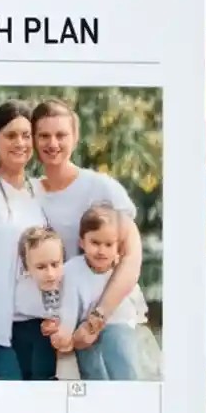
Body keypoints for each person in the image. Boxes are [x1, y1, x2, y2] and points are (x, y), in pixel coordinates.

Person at [29, 98, 148, 352]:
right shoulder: (29, 193)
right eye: (44, 135)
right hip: (64, 322)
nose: (52, 143)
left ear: (74, 137)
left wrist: (97, 320)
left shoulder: (100, 187)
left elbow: (132, 256)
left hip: (110, 318)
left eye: (61, 135)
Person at [0, 99, 53, 381]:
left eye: (26, 135)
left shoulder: (40, 192)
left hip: (38, 330)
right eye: (11, 135)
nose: (20, 143)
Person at [51, 204, 141, 380]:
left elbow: (125, 308)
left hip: (116, 323)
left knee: (122, 359)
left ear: (118, 247)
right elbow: (69, 303)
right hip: (82, 330)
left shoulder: (118, 271)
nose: (101, 251)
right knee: (91, 370)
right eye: (95, 243)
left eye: (108, 244)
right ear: (82, 242)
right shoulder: (72, 270)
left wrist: (97, 326)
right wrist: (66, 333)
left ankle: (129, 397)